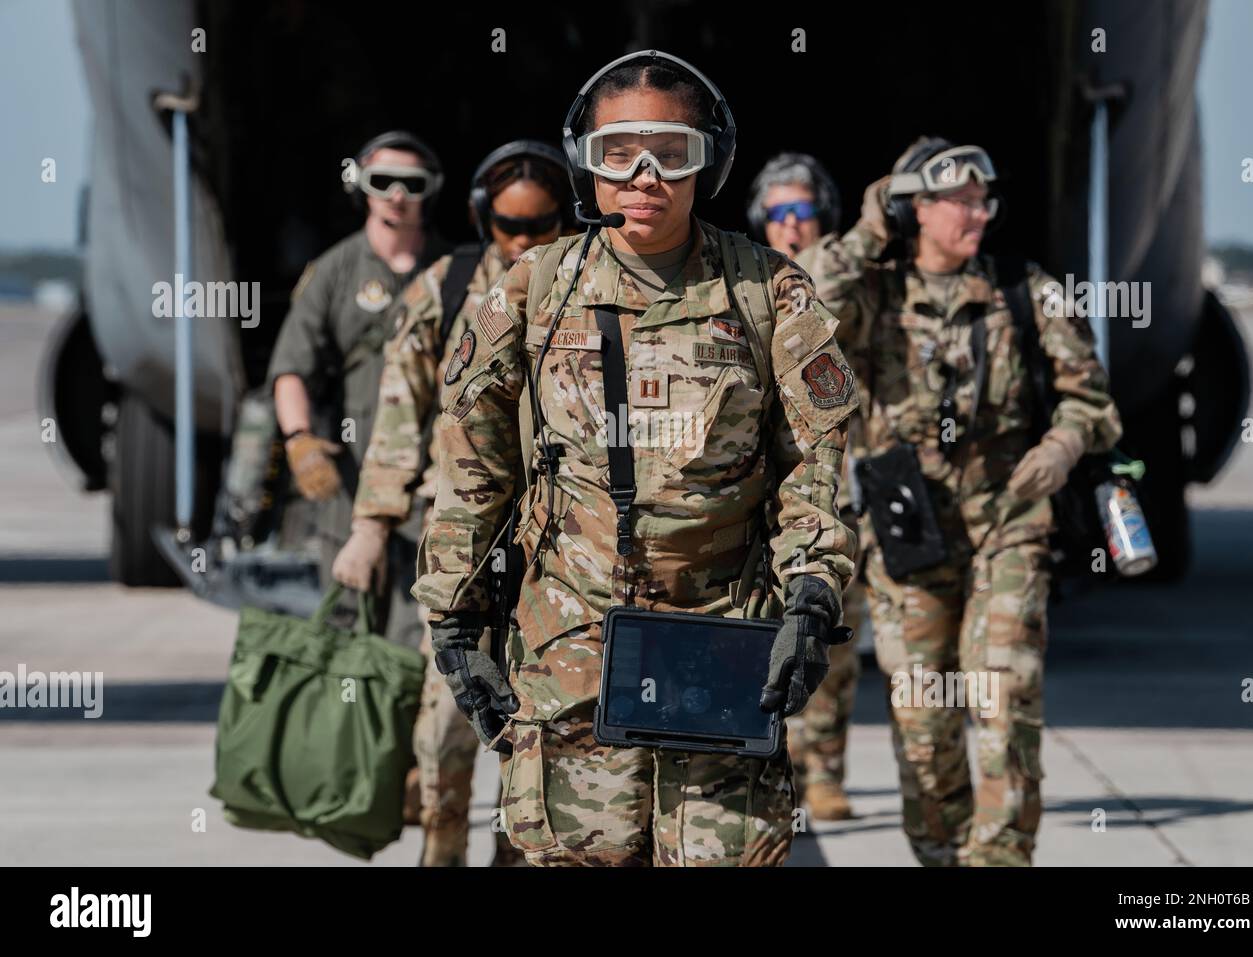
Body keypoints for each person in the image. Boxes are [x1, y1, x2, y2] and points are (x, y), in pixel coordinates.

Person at [413, 50, 859, 867]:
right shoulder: (531, 290)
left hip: (725, 651)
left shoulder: (770, 293)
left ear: (708, 163)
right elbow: (475, 469)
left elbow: (814, 468)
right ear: (588, 164)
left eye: (671, 151)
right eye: (618, 153)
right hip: (569, 650)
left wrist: (811, 596)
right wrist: (453, 616)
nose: (644, 176)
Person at [801, 137, 1123, 865]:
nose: (980, 213)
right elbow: (803, 310)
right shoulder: (874, 292)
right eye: (962, 201)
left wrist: (1064, 445)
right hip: (909, 532)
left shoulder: (1025, 289)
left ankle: (1001, 857)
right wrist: (869, 228)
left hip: (1008, 521)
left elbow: (1093, 401)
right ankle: (942, 854)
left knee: (1005, 693)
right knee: (923, 716)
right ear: (919, 209)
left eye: (986, 200)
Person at [332, 140, 571, 866]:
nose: (524, 241)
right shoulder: (447, 285)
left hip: (561, 541)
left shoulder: (591, 287)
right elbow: (398, 412)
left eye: (542, 226)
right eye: (509, 225)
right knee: (444, 725)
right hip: (462, 538)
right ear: (482, 216)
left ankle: (514, 851)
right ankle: (440, 847)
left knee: (541, 722)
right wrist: (372, 524)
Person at [268, 130, 443, 647]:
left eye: (411, 184)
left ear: (430, 190)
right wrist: (299, 439)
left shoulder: (455, 271)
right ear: (360, 187)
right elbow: (291, 369)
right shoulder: (333, 271)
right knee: (345, 632)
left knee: (422, 637)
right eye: (382, 181)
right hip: (349, 483)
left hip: (427, 489)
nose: (397, 195)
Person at [748, 153, 859, 821]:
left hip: (834, 486)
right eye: (780, 214)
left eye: (803, 211)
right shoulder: (743, 284)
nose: (792, 226)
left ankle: (827, 769)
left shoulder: (841, 278)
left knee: (833, 640)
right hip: (761, 490)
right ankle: (769, 756)